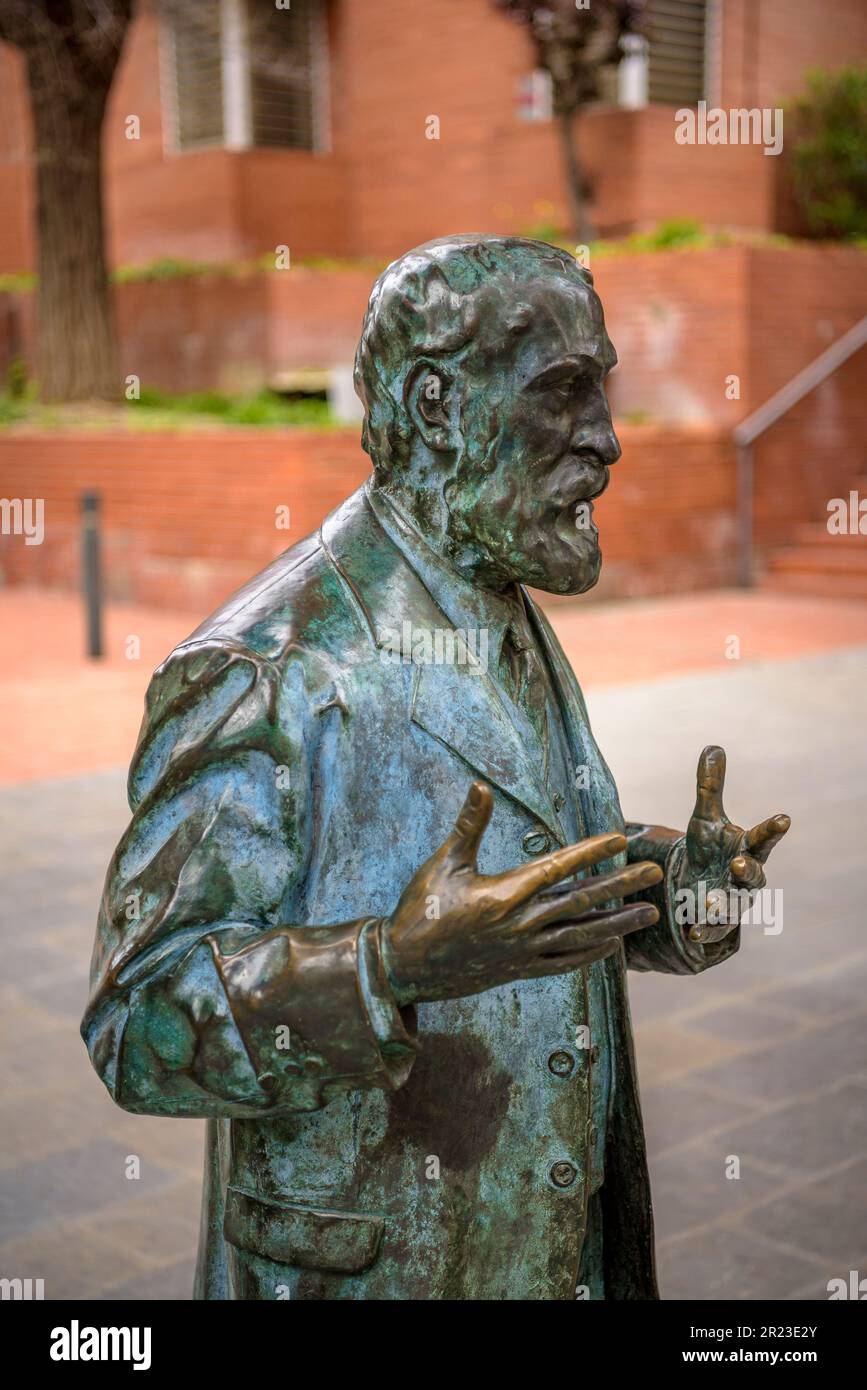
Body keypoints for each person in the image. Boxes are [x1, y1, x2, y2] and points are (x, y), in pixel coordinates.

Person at [82, 235, 789, 1300]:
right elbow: (137, 1021)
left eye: (603, 391)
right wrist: (387, 968)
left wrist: (667, 885)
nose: (605, 440)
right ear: (435, 409)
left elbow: (514, 868)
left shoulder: (496, 592)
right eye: (562, 392)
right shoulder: (263, 665)